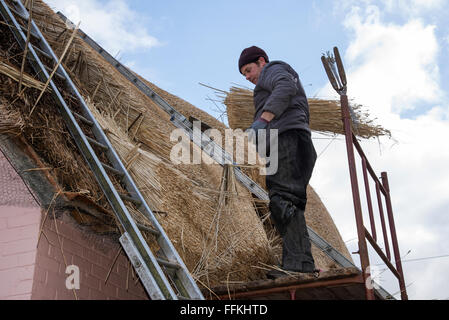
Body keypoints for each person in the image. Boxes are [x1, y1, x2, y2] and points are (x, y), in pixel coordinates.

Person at [239, 46, 319, 277]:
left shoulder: (273, 69)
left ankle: (296, 266)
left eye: (248, 69)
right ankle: (302, 265)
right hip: (298, 141)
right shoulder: (279, 79)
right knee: (291, 203)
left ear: (261, 61)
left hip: (285, 141)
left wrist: (263, 119)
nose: (247, 77)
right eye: (243, 74)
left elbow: (285, 87)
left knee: (282, 201)